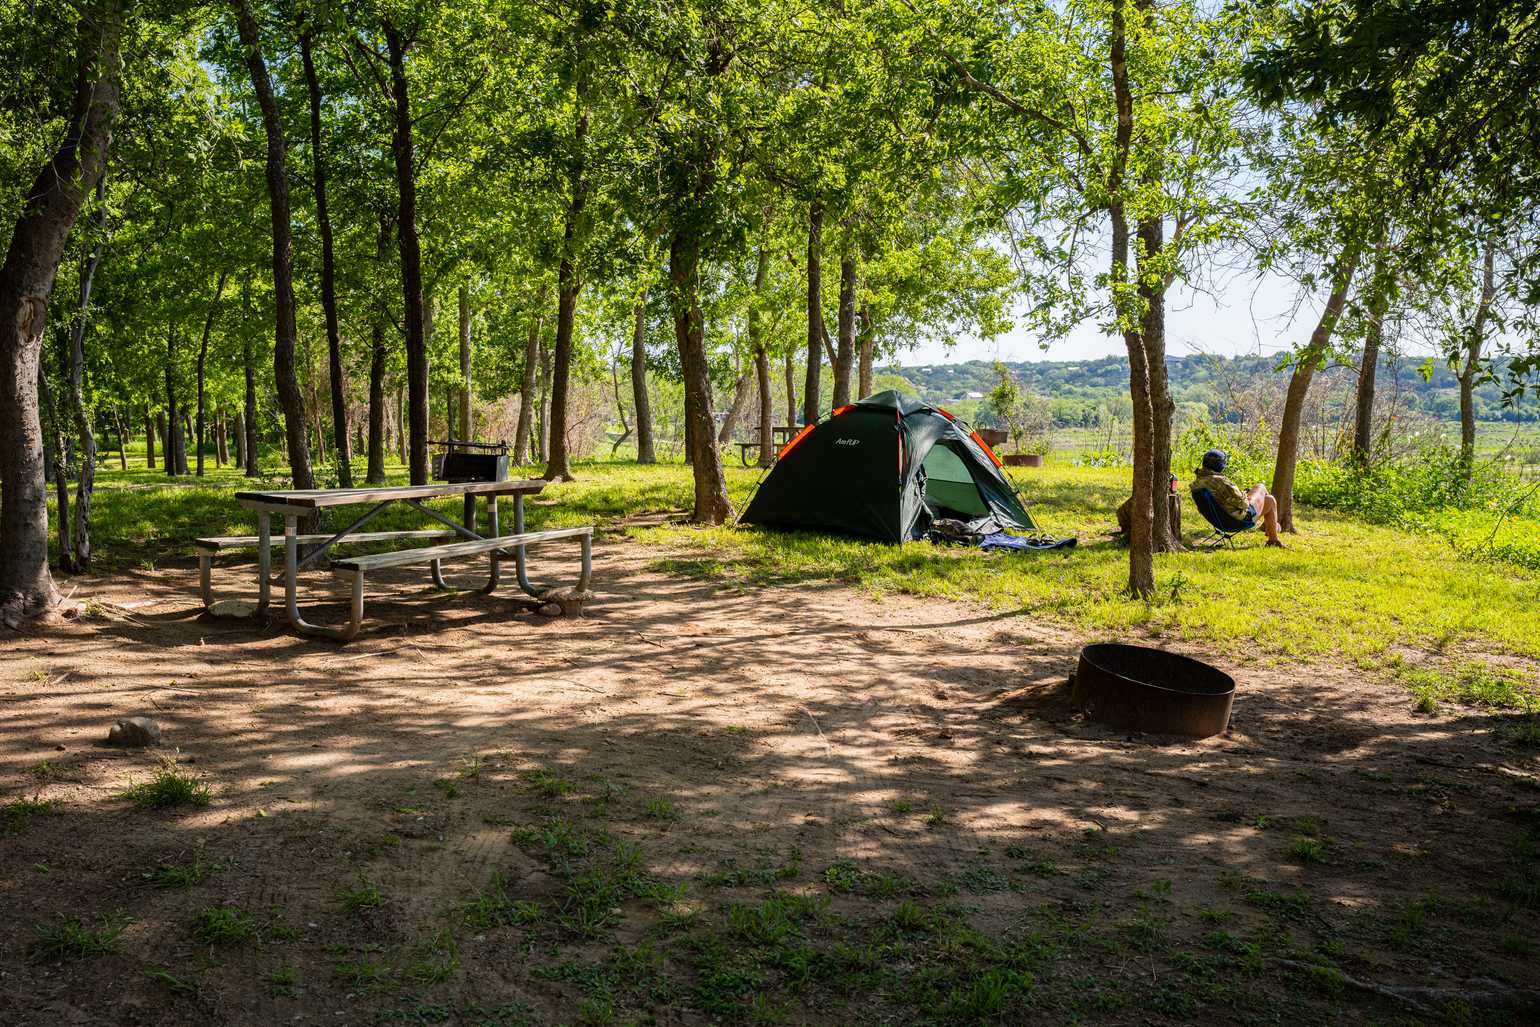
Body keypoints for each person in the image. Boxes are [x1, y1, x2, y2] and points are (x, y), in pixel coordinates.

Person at [1191, 449, 1284, 546]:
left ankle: (1272, 537)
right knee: (1261, 487)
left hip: (1219, 520)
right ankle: (1272, 529)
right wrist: (1245, 494)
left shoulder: (1197, 483)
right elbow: (1244, 504)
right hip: (1238, 520)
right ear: (1220, 465)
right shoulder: (1220, 481)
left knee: (1269, 500)